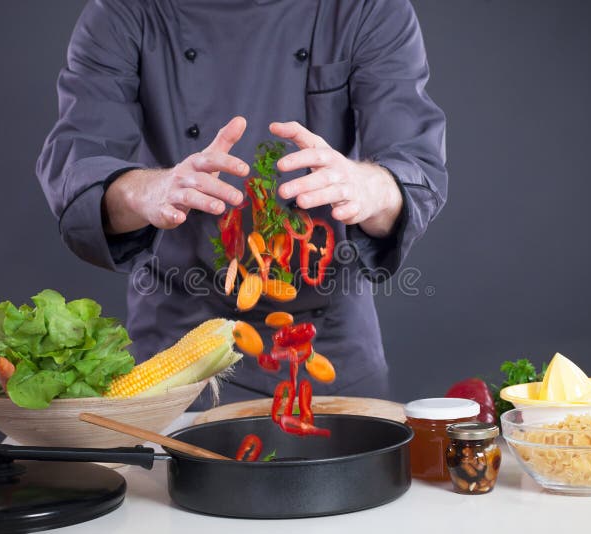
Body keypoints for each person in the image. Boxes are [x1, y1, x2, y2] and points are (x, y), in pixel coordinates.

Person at [36, 0, 447, 407]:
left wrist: (368, 186)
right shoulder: (124, 12)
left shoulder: (366, 8)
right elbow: (77, 162)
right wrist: (148, 190)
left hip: (330, 345)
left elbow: (415, 165)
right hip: (180, 340)